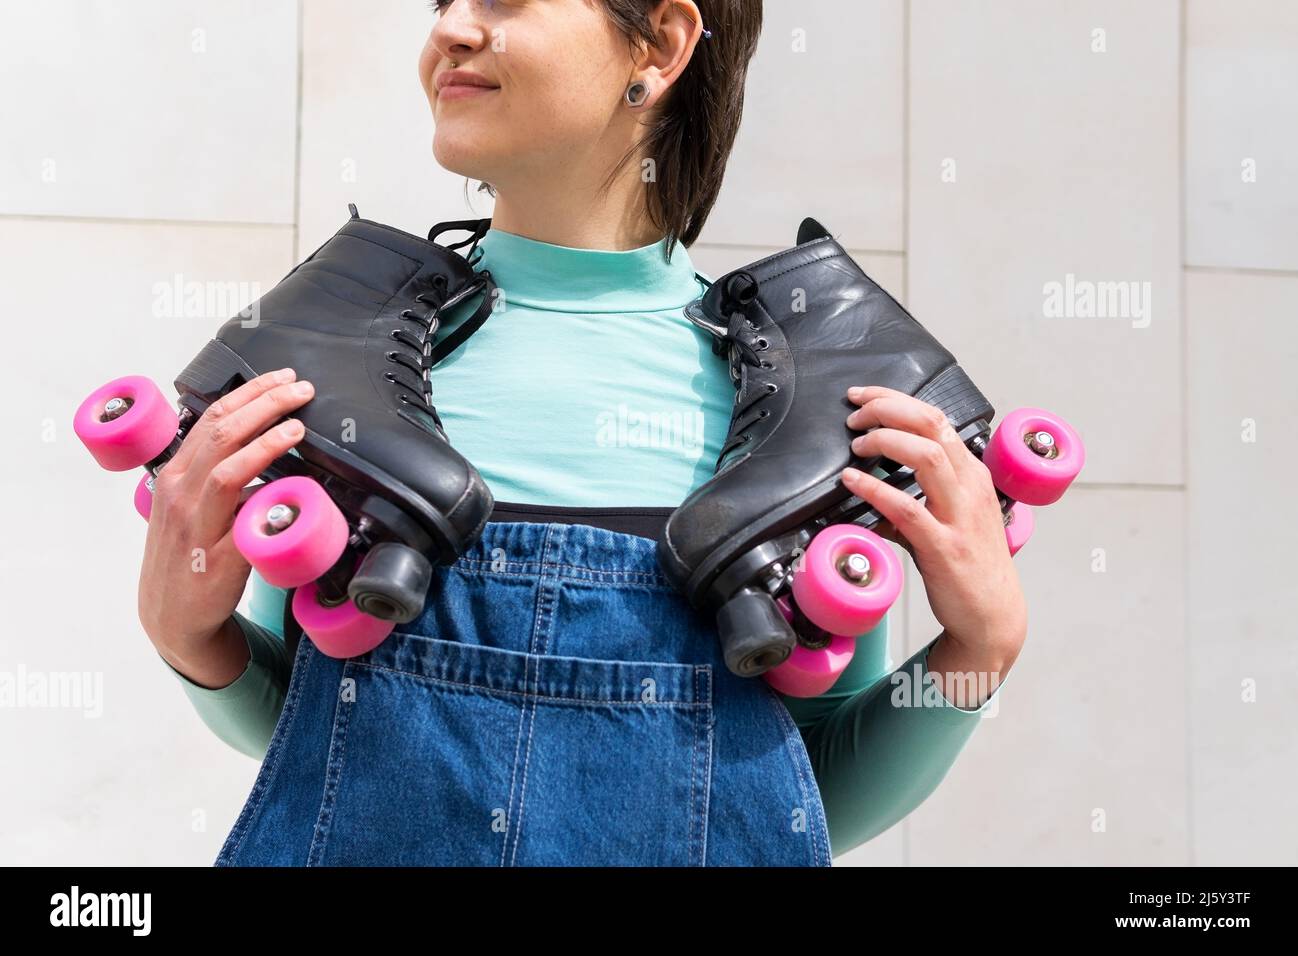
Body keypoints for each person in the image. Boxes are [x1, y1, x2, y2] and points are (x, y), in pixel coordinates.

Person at [139, 0, 1027, 865]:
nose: (449, 27)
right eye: (443, 0)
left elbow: (809, 793)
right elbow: (309, 742)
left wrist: (976, 651)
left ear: (664, 43)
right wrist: (189, 637)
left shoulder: (813, 409)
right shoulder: (331, 365)